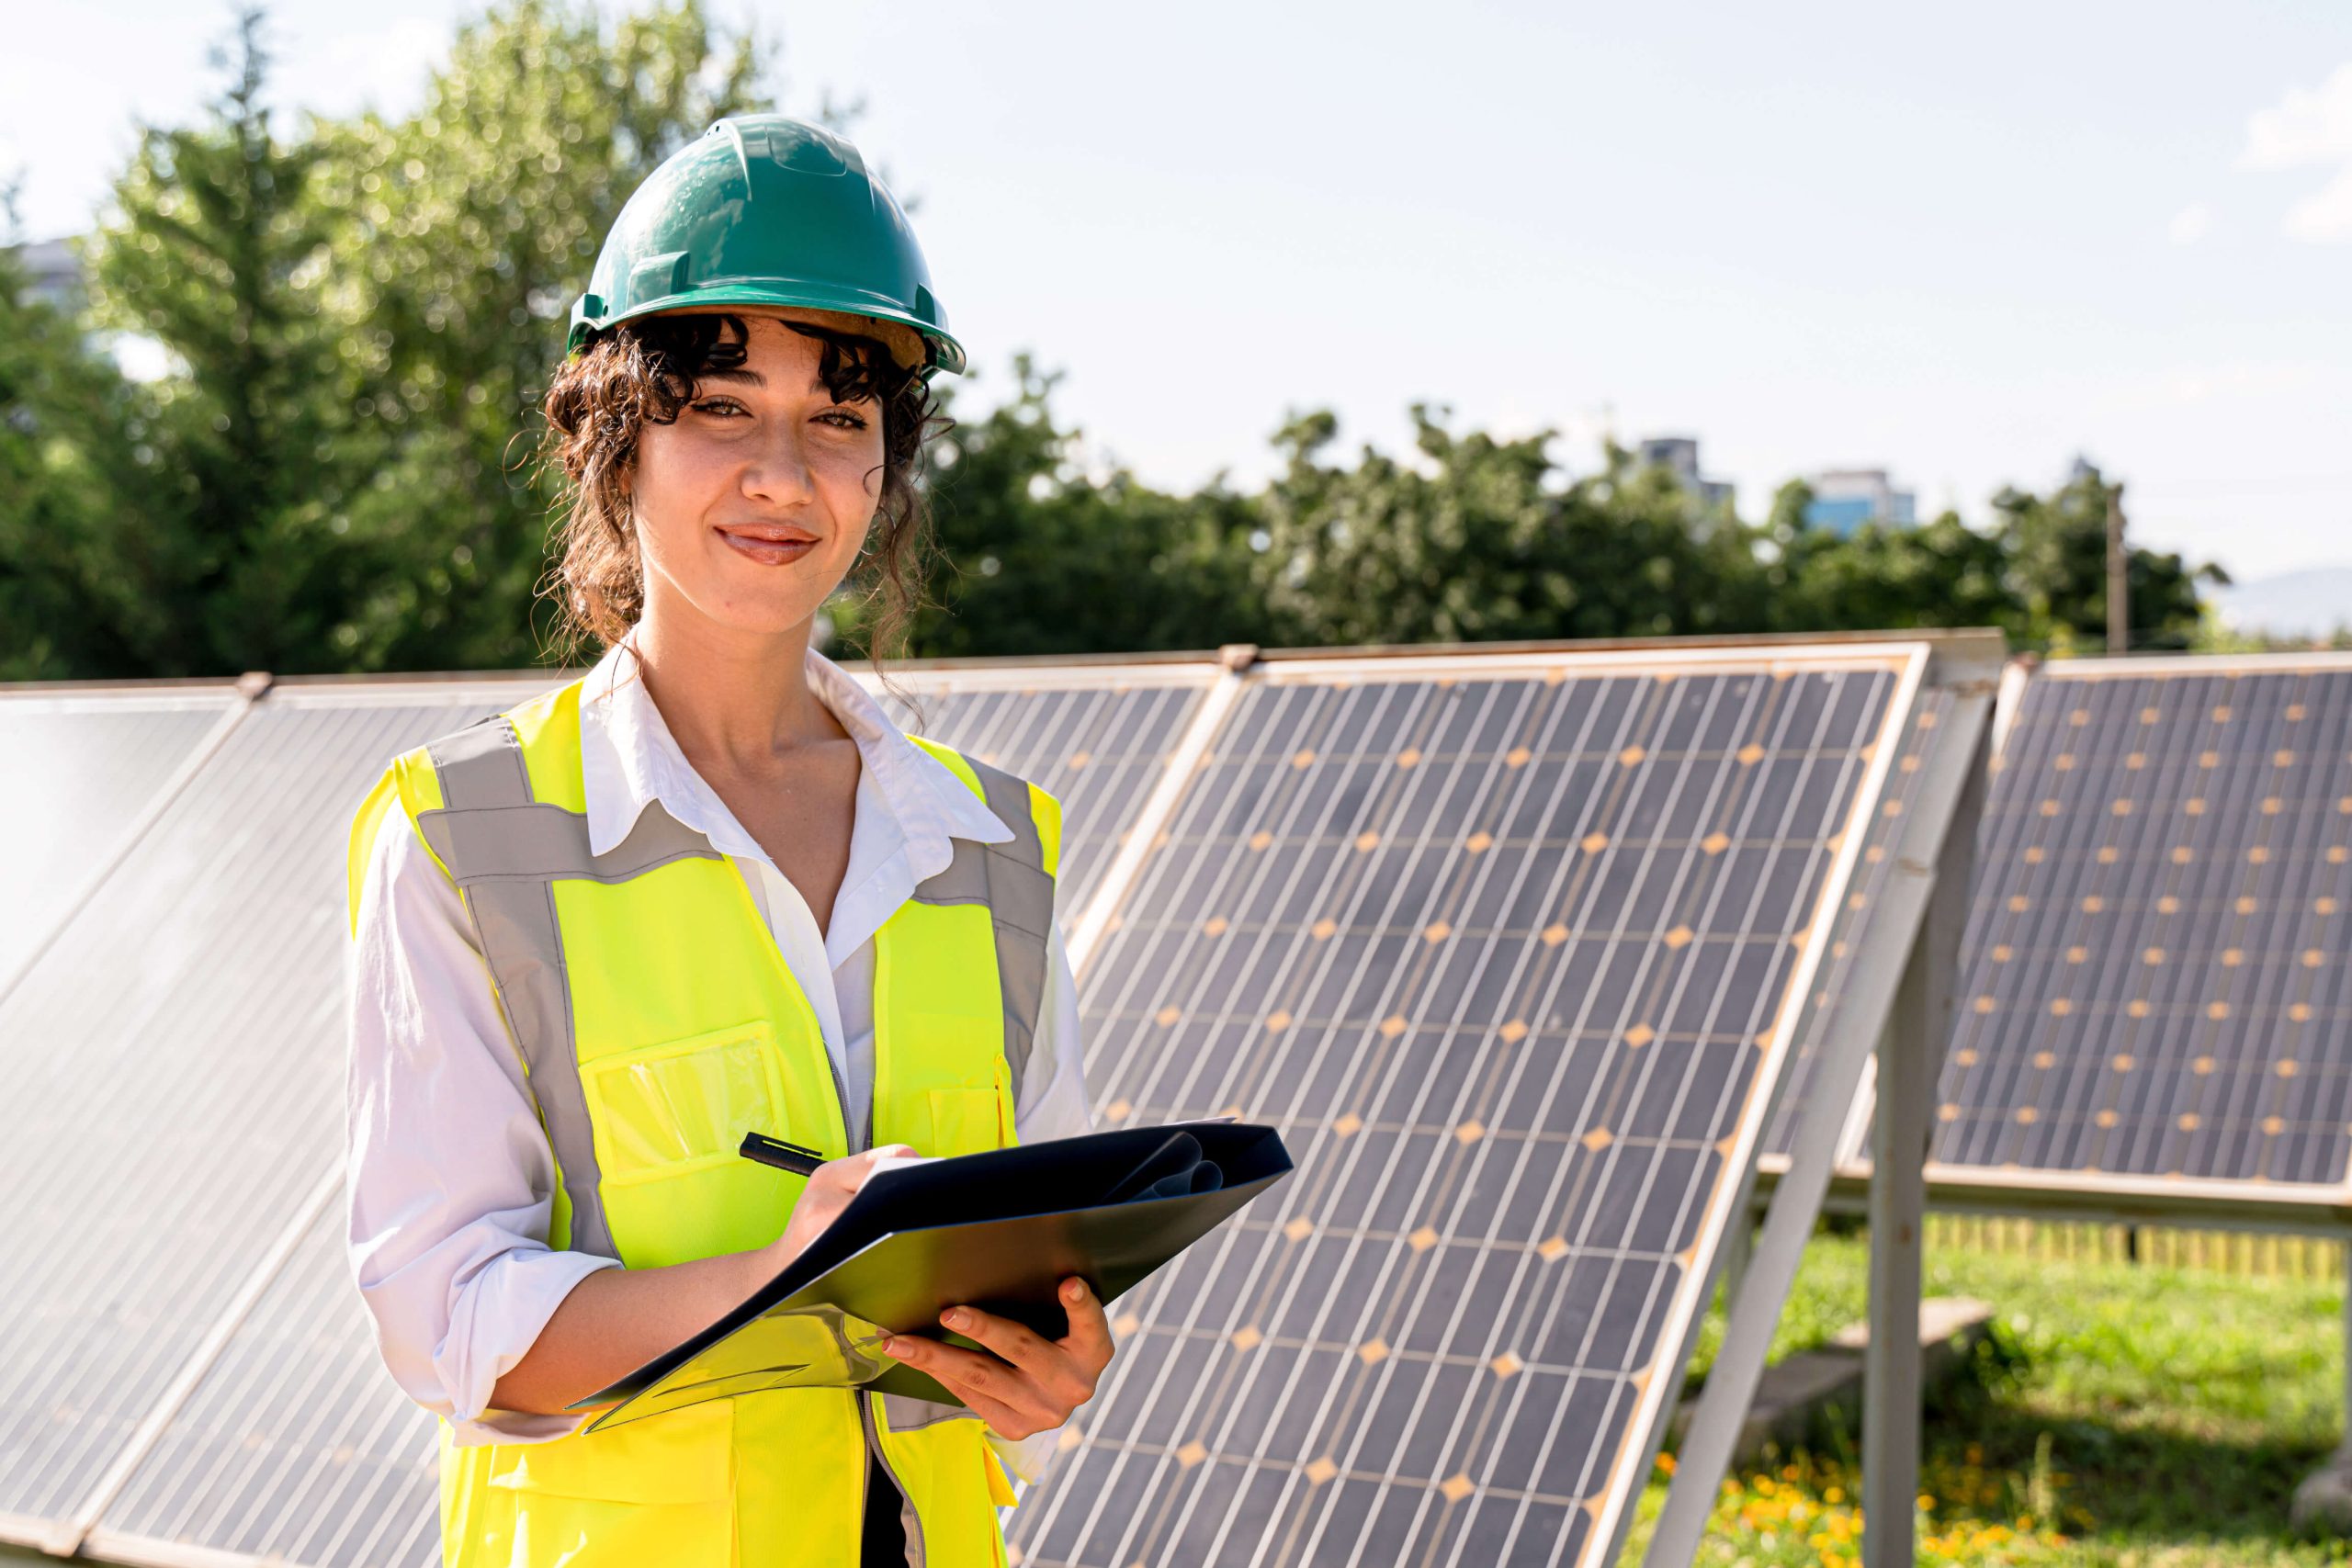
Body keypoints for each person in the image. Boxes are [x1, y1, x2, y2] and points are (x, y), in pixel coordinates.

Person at [342, 113, 1112, 1568]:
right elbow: (447, 1321)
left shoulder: (993, 845)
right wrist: (784, 1275)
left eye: (838, 417)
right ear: (613, 443)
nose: (784, 472)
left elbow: (1038, 1266)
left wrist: (1048, 1375)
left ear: (886, 465)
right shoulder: (461, 838)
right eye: (719, 406)